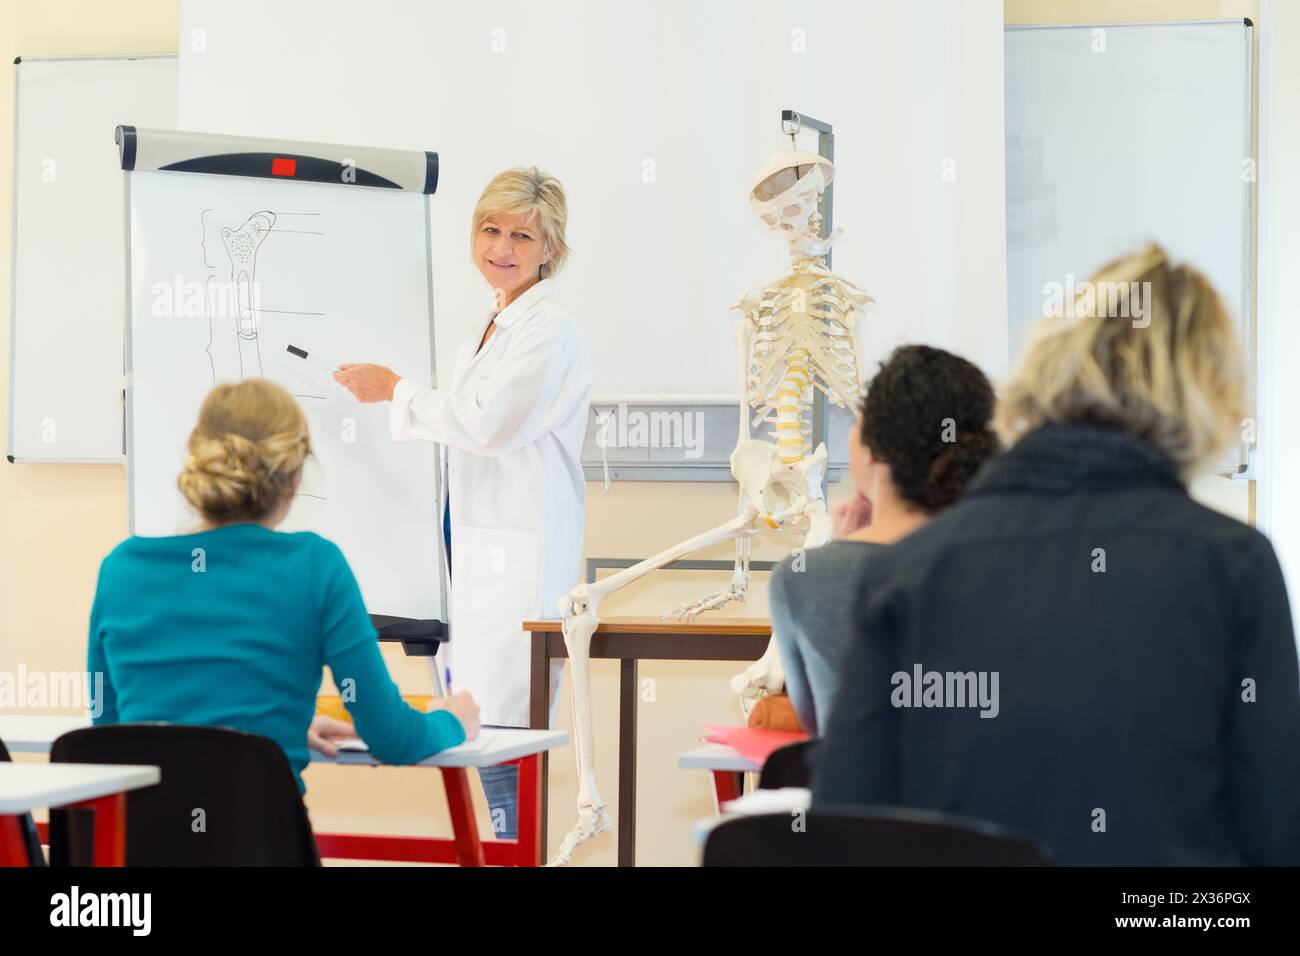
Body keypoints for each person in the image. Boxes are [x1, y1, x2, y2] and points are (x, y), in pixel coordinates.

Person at [812, 244, 1300, 865]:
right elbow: (1275, 836)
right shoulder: (1232, 566)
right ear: (1206, 394)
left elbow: (845, 826)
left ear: (1048, 367)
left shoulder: (909, 571)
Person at [334, 166, 590, 840]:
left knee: (505, 742)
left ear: (549, 248)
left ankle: (511, 852)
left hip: (520, 569)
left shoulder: (550, 332)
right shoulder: (487, 327)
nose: (502, 247)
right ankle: (505, 848)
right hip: (478, 557)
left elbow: (486, 424)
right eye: (491, 229)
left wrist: (398, 390)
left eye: (522, 236)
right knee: (480, 736)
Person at [88, 379, 480, 794]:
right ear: (294, 477)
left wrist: (271, 727)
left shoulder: (121, 569)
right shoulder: (313, 566)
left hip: (137, 847)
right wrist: (453, 719)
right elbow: (393, 737)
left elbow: (110, 734)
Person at [770, 345, 999, 734]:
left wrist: (840, 552)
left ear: (873, 449)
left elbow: (817, 720)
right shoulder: (1012, 567)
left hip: (862, 793)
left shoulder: (803, 579)